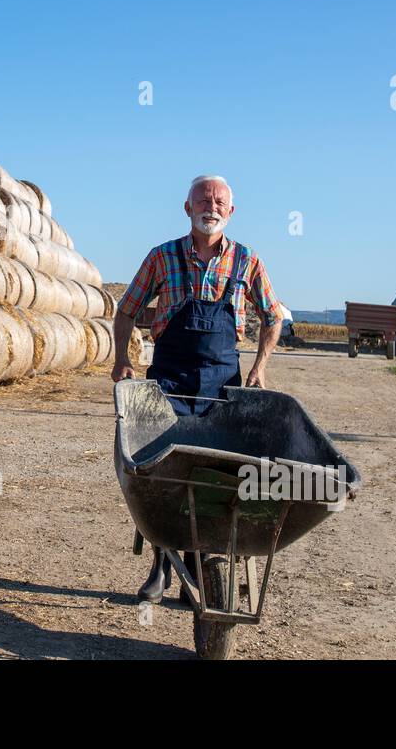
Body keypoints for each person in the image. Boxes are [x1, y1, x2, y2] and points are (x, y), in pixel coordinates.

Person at [111, 174, 282, 603]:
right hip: (168, 379)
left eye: (220, 200)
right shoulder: (162, 257)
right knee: (160, 470)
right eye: (203, 198)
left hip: (221, 384)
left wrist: (260, 368)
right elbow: (127, 310)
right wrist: (121, 359)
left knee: (211, 477)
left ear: (231, 210)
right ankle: (162, 564)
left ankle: (199, 564)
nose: (212, 204)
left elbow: (273, 316)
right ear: (187, 207)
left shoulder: (247, 260)